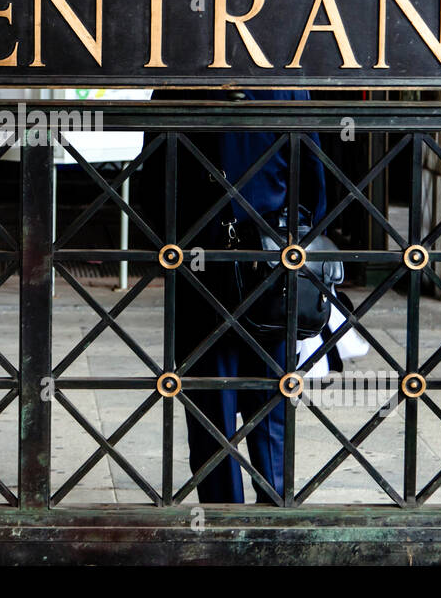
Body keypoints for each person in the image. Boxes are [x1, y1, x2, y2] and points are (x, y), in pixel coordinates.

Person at [140, 89, 327, 503]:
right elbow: (315, 176)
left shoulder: (179, 77)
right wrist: (297, 234)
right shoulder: (285, 79)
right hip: (274, 259)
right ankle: (275, 508)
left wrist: (168, 245)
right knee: (272, 397)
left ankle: (223, 516)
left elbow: (152, 178)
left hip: (200, 260)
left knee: (211, 402)